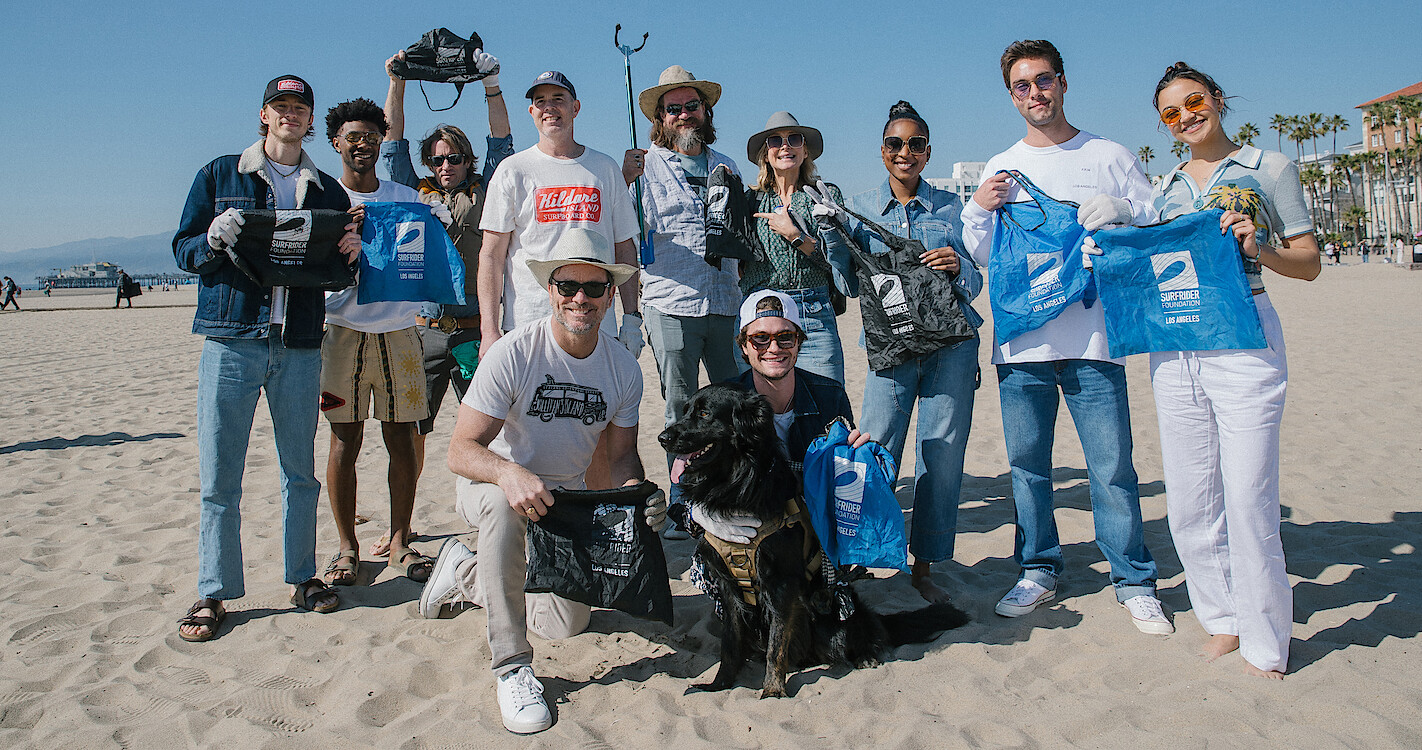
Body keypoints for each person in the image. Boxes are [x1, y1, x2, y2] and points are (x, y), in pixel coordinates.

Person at [959, 40, 1170, 634]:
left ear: (1063, 83)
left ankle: (1132, 579)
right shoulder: (1001, 164)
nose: (1035, 94)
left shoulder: (1106, 154)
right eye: (1022, 86)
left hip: (1094, 341)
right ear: (1011, 95)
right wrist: (978, 208)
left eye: (1043, 81)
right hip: (1022, 347)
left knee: (1112, 467)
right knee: (1027, 466)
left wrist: (1123, 209)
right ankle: (1038, 569)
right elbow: (981, 257)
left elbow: (1153, 217)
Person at [420, 228, 664, 734]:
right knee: (505, 511)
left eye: (594, 288)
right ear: (550, 290)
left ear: (610, 295)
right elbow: (460, 450)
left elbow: (621, 460)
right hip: (494, 483)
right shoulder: (513, 352)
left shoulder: (622, 368)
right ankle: (511, 667)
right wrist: (510, 474)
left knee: (567, 624)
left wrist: (641, 497)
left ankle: (465, 573)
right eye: (568, 285)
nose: (580, 298)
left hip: (563, 497)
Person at [1145, 62, 1321, 678]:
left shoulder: (1269, 169)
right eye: (1171, 111)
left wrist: (1260, 248)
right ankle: (1221, 619)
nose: (1186, 116)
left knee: (1248, 498)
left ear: (1217, 99)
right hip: (1177, 345)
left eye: (1194, 102)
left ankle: (1267, 640)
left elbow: (1308, 263)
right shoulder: (1162, 187)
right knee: (1190, 501)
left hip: (1246, 336)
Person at [172, 75, 361, 641]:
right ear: (263, 115)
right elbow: (183, 251)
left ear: (309, 120)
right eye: (280, 107)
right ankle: (213, 591)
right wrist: (210, 237)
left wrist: (350, 255)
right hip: (232, 339)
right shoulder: (219, 175)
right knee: (219, 475)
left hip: (299, 342)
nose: (289, 116)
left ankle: (302, 576)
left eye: (299, 108)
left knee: (298, 471)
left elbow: (338, 271)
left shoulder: (327, 191)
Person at [809, 101, 985, 604]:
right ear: (882, 152)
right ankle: (863, 554)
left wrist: (958, 268)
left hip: (951, 347)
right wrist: (830, 235)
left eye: (915, 144)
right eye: (894, 144)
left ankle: (924, 565)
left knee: (942, 454)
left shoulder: (953, 208)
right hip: (890, 348)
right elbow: (847, 282)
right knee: (874, 448)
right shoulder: (858, 207)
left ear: (928, 152)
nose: (904, 153)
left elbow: (974, 280)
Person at [478, 70, 644, 490]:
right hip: (528, 326)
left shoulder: (603, 169)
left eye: (559, 98)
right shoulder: (513, 170)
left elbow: (624, 248)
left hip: (596, 322)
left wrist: (632, 317)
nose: (550, 107)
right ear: (531, 111)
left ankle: (600, 522)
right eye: (541, 100)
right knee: (529, 437)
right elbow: (492, 255)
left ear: (576, 107)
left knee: (601, 432)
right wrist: (489, 330)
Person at [378, 46, 513, 557]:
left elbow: (501, 140)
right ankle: (400, 530)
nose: (445, 165)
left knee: (493, 434)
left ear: (467, 160)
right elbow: (392, 141)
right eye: (437, 158)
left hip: (480, 330)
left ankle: (502, 521)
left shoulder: (490, 188)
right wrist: (396, 81)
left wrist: (490, 83)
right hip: (426, 329)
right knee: (410, 434)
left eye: (454, 157)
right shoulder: (410, 191)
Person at [319, 97, 440, 586]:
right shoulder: (321, 198)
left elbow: (423, 261)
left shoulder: (404, 197)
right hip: (340, 331)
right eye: (353, 136)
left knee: (403, 441)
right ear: (336, 143)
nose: (362, 144)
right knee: (344, 439)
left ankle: (400, 541)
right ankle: (347, 547)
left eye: (372, 136)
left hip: (399, 332)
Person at [620, 65, 742, 539]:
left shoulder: (726, 164)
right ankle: (682, 502)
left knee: (732, 405)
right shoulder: (639, 167)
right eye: (674, 109)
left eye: (692, 106)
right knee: (680, 408)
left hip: (726, 302)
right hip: (670, 303)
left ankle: (729, 491)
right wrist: (625, 182)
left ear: (705, 111)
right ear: (660, 118)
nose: (684, 115)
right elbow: (624, 234)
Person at [685, 290, 869, 555]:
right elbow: (685, 491)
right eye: (760, 338)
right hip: (749, 533)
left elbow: (843, 488)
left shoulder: (830, 396)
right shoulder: (721, 405)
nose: (773, 349)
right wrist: (698, 514)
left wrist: (855, 462)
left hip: (812, 530)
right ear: (744, 347)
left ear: (798, 343)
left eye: (785, 337)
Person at [741, 112, 853, 384]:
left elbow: (840, 263)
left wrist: (796, 236)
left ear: (805, 151)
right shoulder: (749, 201)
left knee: (826, 399)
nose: (785, 146)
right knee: (764, 411)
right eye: (775, 141)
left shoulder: (826, 195)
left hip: (813, 311)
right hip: (762, 315)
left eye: (794, 139)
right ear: (765, 154)